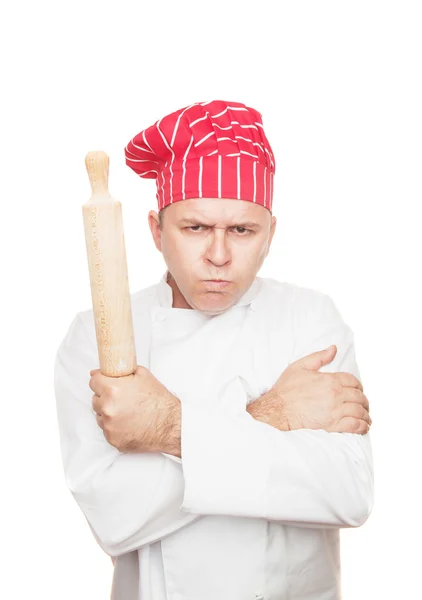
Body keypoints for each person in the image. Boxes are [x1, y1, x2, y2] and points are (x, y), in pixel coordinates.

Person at [54, 100, 374, 600]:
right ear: (156, 231)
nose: (219, 256)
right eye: (196, 228)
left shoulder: (312, 320)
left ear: (270, 235)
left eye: (242, 231)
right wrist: (274, 415)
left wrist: (169, 430)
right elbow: (116, 518)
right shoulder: (97, 334)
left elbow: (348, 495)